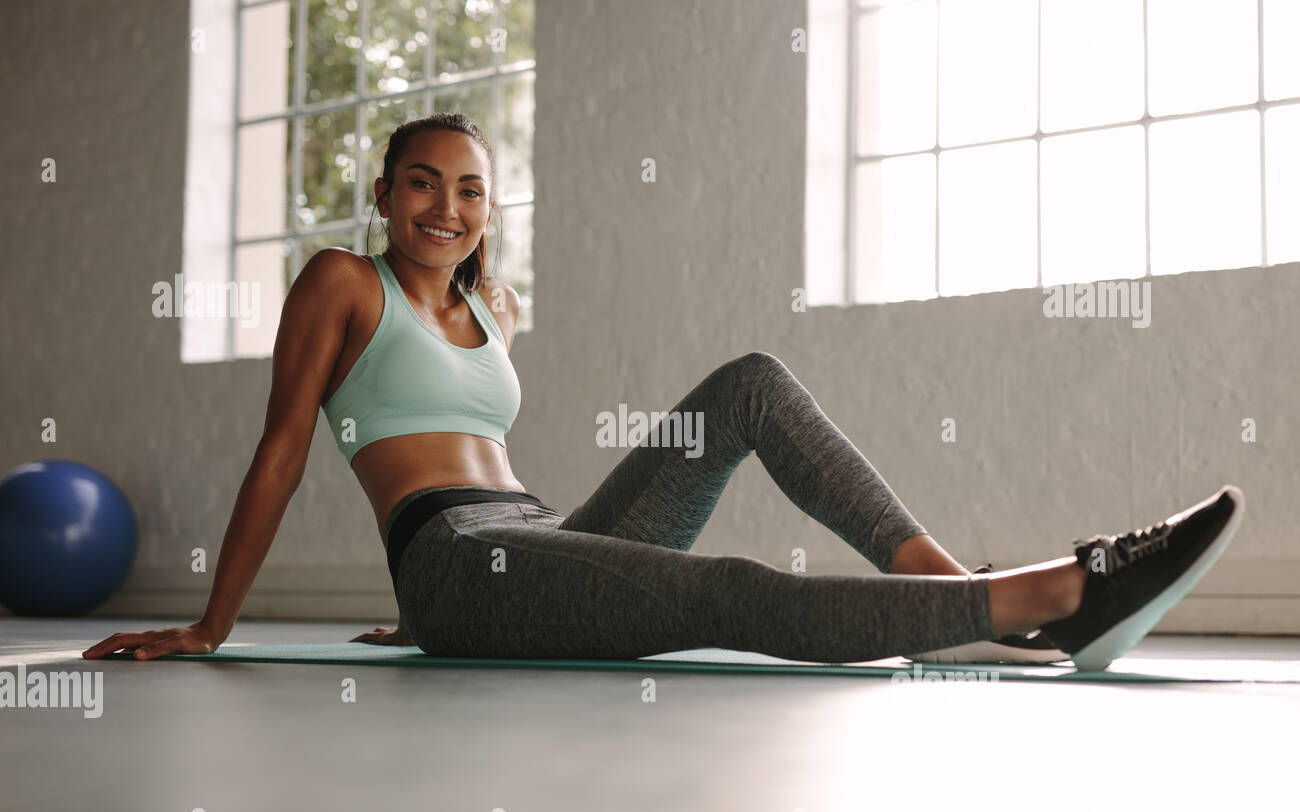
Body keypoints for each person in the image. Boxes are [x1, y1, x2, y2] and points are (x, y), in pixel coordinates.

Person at [84, 113, 1245, 672]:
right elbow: (283, 448)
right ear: (384, 193)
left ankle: (953, 592)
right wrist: (210, 622)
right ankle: (1057, 591)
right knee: (727, 588)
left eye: (473, 190)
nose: (448, 207)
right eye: (424, 184)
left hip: (533, 543)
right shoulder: (342, 281)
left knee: (747, 383)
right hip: (458, 560)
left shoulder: (493, 308)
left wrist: (491, 588)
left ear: (491, 207)